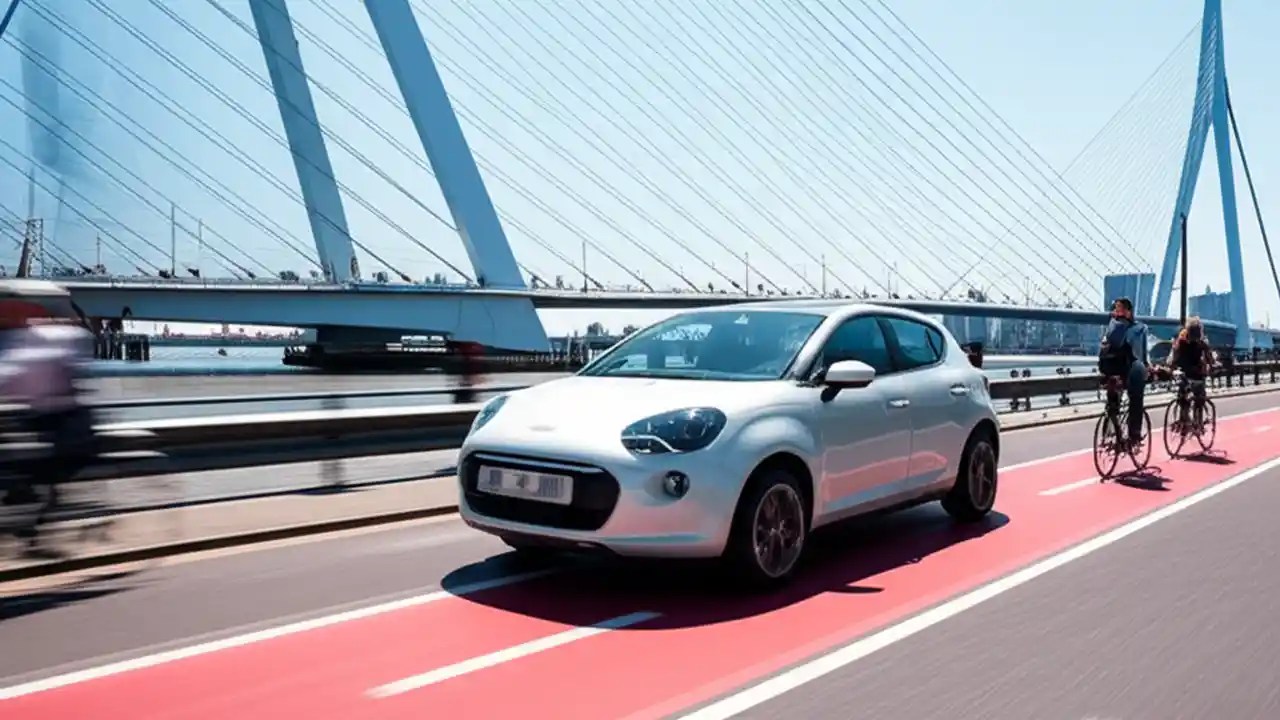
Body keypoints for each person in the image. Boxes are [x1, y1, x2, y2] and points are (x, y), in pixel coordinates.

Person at [1098, 297, 1150, 449]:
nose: (1117, 311)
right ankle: (1134, 435)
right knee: (1136, 399)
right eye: (1117, 309)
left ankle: (1109, 434)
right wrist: (1147, 368)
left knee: (1113, 400)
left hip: (1109, 369)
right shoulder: (1139, 328)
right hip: (1128, 369)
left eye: (1118, 308)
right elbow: (1141, 354)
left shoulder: (1111, 326)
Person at [1167, 316, 1214, 426]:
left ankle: (1183, 418)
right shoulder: (1202, 343)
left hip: (1182, 374)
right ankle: (1199, 422)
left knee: (1183, 395)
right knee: (1199, 396)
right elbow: (1209, 359)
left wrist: (1170, 369)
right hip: (1197, 375)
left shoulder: (1181, 341)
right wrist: (1213, 364)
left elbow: (1174, 357)